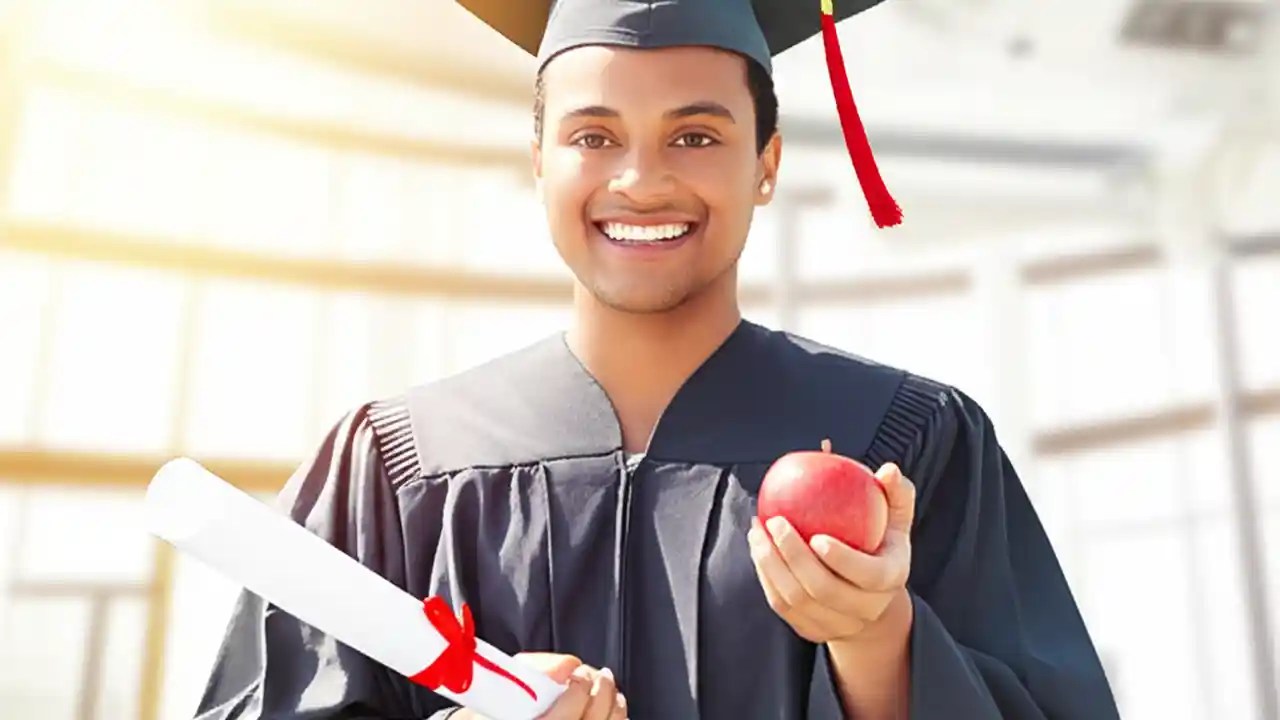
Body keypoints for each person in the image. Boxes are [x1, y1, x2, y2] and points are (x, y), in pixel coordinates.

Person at [193, 0, 1122, 717]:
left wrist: (881, 640)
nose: (640, 179)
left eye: (696, 135)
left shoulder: (910, 444)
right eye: (593, 136)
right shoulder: (395, 470)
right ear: (539, 159)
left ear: (767, 162)